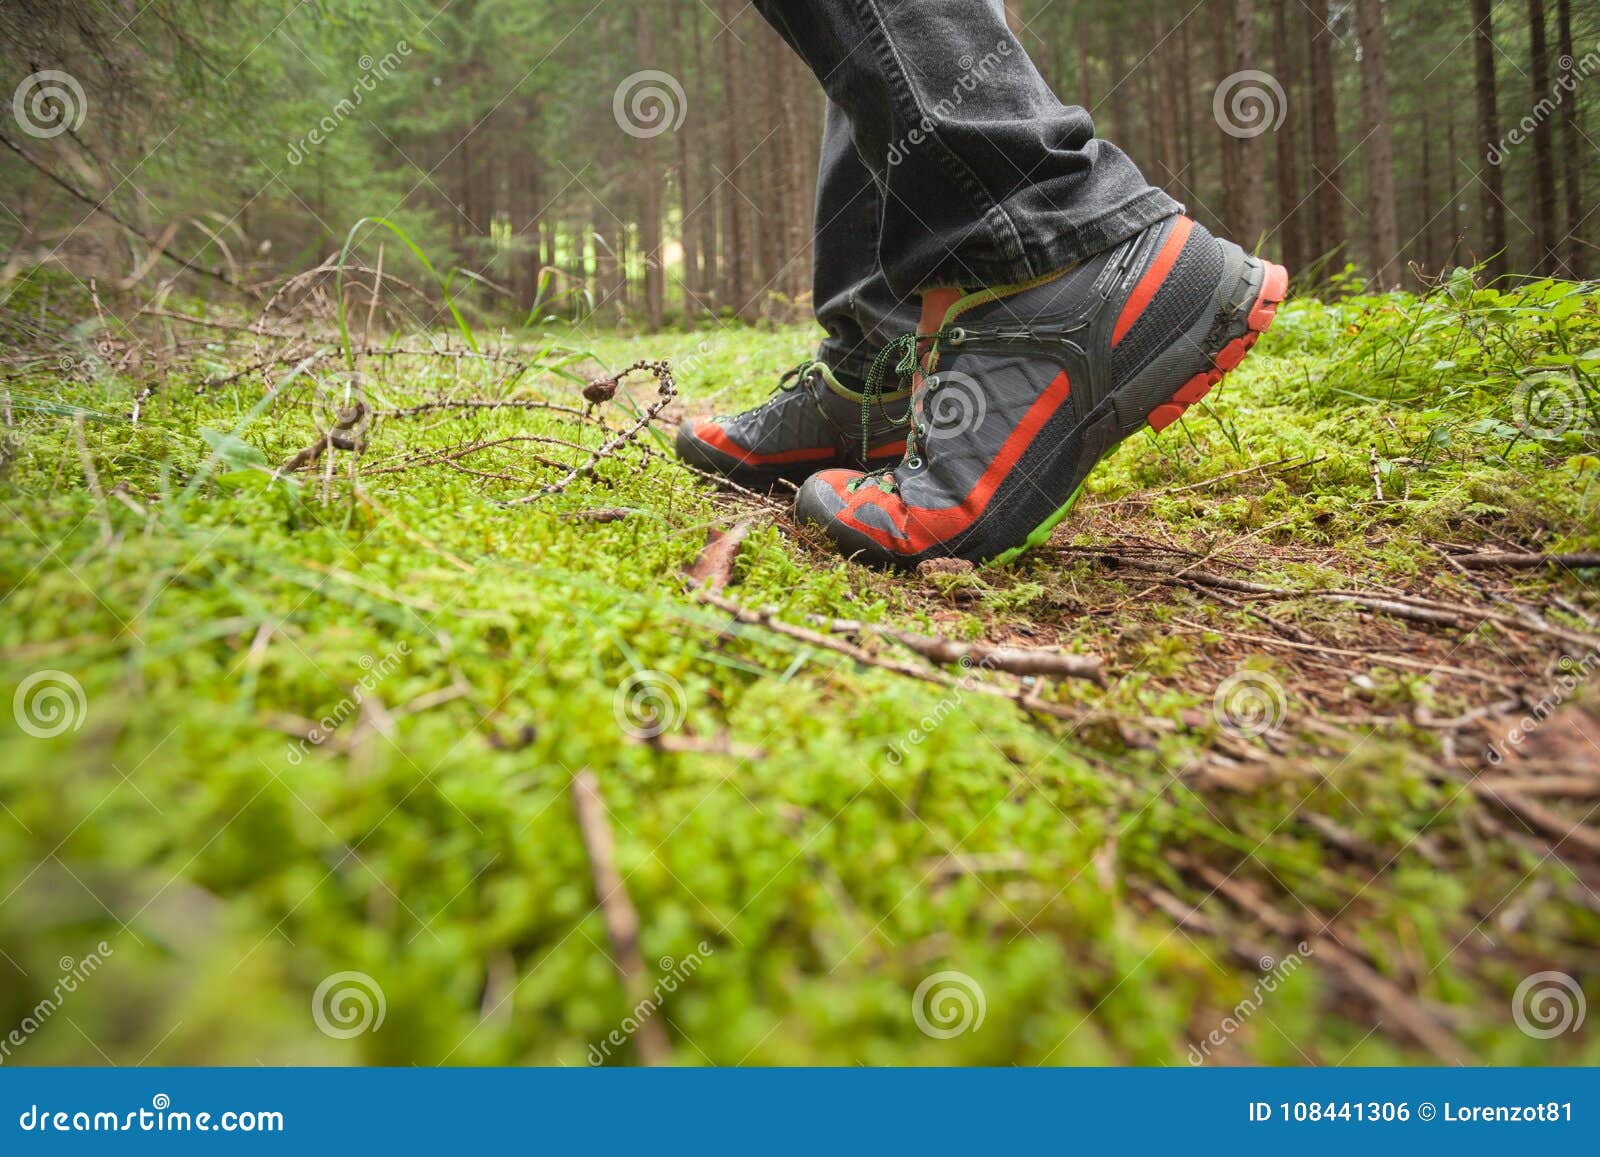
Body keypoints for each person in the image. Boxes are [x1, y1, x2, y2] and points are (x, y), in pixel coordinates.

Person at [674, 0, 1286, 569]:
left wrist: (1011, 227)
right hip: (895, 316)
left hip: (1033, 242)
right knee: (861, 52)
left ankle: (1034, 244)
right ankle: (876, 371)